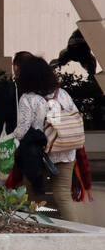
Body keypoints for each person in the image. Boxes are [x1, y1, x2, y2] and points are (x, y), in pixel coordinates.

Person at [12, 56, 78, 213]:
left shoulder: (28, 98)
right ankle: (76, 234)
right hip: (66, 150)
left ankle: (35, 232)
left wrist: (7, 140)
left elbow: (22, 130)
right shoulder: (62, 94)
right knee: (63, 195)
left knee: (32, 194)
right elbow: (75, 116)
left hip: (39, 154)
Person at [0, 51, 33, 184]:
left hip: (11, 135)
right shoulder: (40, 87)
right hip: (33, 137)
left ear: (16, 67)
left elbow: (2, 115)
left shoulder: (12, 88)